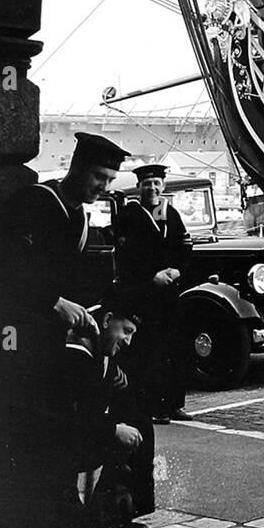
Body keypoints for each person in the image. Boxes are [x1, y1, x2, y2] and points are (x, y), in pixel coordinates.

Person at [0, 132, 129, 528]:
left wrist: (91, 316)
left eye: (109, 179)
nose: (103, 187)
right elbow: (1, 268)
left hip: (45, 345)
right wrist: (54, 303)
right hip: (10, 341)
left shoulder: (80, 216)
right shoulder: (35, 202)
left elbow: (72, 278)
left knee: (52, 450)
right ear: (78, 168)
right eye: (99, 177)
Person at [65, 288, 156, 528]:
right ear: (107, 321)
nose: (128, 341)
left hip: (83, 430)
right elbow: (72, 415)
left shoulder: (103, 348)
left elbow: (114, 391)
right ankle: (91, 518)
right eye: (125, 331)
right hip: (57, 439)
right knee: (122, 434)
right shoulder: (76, 351)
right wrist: (114, 429)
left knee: (140, 423)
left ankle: (114, 515)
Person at [113, 164, 192, 422]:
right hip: (145, 295)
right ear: (140, 187)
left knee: (175, 347)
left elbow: (184, 247)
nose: (152, 188)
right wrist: (151, 277)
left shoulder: (172, 214)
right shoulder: (129, 215)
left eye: (157, 183)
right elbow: (127, 257)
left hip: (170, 294)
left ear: (164, 186)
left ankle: (174, 404)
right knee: (150, 351)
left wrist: (178, 270)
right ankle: (154, 407)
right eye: (147, 184)